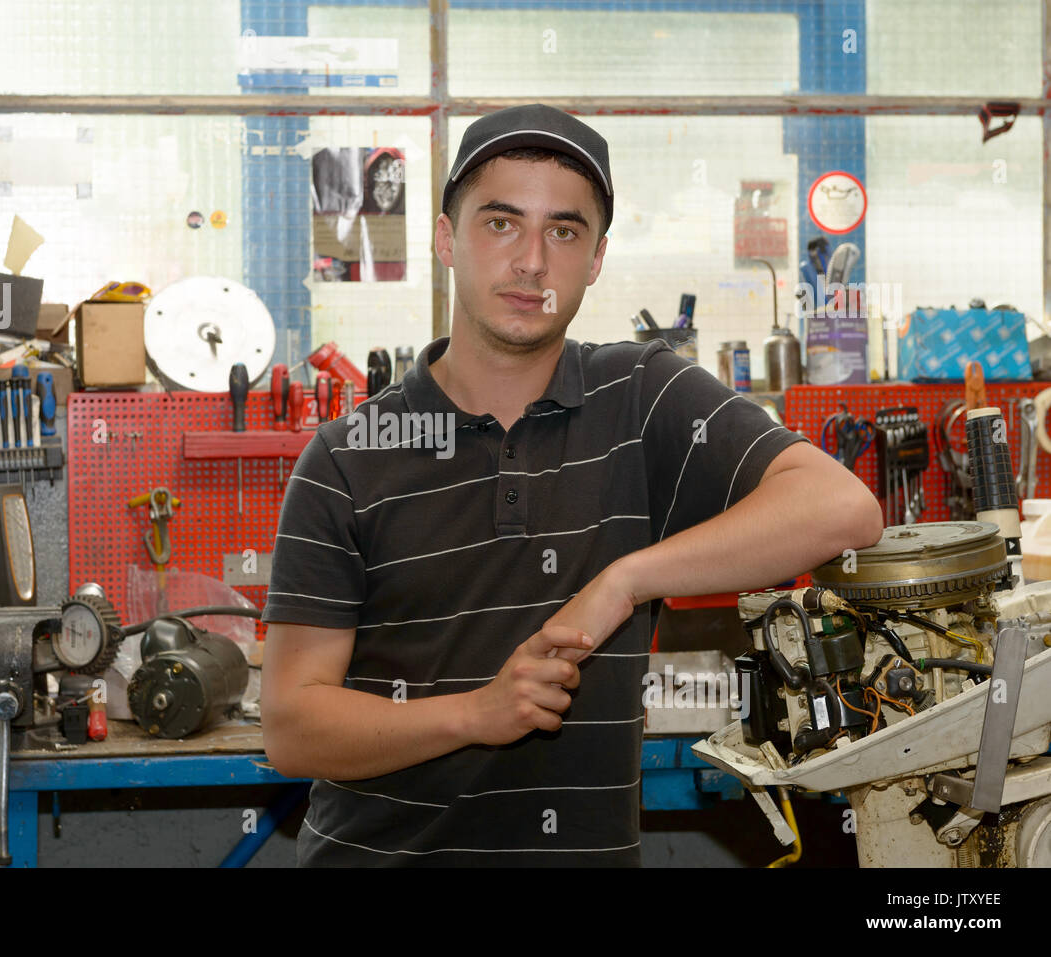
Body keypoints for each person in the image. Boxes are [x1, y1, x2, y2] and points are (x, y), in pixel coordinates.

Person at [260, 104, 884, 866]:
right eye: (500, 224)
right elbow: (291, 726)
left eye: (563, 231)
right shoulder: (347, 455)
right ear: (445, 239)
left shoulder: (641, 396)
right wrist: (476, 713)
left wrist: (624, 580)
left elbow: (842, 509)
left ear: (594, 259)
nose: (531, 261)